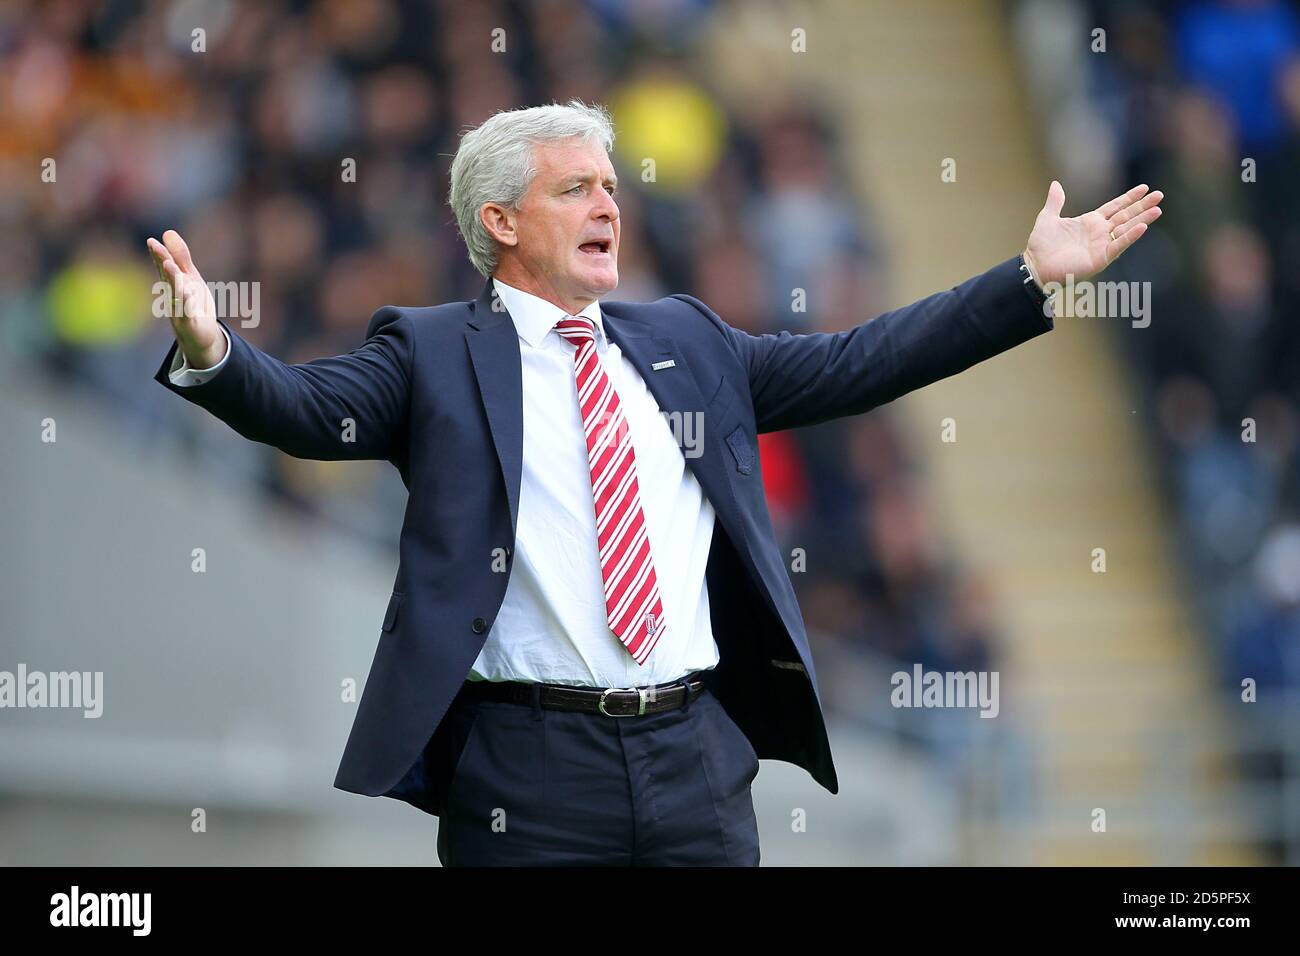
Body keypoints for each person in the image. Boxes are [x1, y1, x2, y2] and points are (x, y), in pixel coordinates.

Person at [147, 99, 1163, 866]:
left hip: (695, 761)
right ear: (499, 220)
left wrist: (1025, 280)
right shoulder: (432, 353)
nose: (607, 204)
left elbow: (863, 359)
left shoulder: (685, 338)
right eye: (575, 188)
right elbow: (301, 410)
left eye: (611, 187)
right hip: (527, 770)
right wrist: (213, 347)